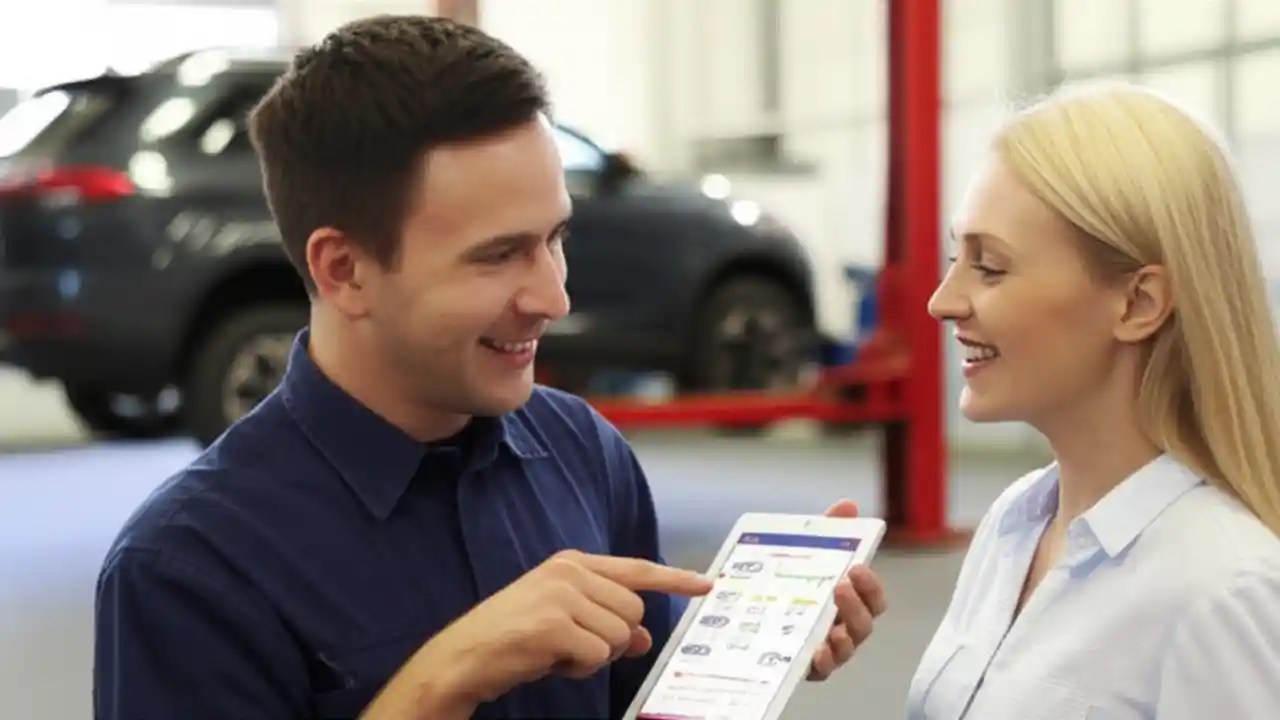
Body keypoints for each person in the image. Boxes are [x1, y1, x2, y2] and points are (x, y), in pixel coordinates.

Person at [92, 15, 887, 720]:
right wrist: (442, 681)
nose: (554, 295)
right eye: (500, 255)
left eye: (556, 239)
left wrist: (749, 659)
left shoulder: (583, 453)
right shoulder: (188, 569)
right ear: (343, 271)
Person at [908, 82, 1280, 719]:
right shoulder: (1013, 522)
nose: (942, 300)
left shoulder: (1226, 590)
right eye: (954, 258)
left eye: (989, 267)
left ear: (1137, 304)